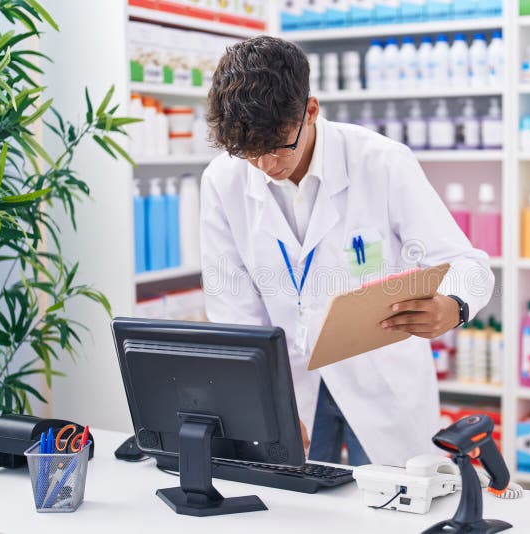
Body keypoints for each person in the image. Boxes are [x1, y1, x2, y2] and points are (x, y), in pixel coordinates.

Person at [200, 36, 494, 467]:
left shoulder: (383, 163)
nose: (264, 166)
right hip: (290, 386)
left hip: (381, 380)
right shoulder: (223, 181)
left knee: (395, 511)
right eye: (249, 153)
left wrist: (454, 306)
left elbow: (469, 264)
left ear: (311, 111)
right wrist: (264, 405)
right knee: (299, 514)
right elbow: (233, 314)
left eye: (277, 146)